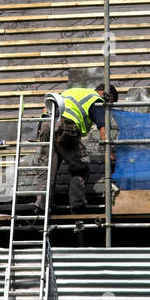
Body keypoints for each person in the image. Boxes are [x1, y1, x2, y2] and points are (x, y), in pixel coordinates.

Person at [37, 83, 118, 213]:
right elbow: (103, 129)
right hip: (65, 126)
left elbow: (48, 104)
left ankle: (41, 206)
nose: (106, 106)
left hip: (46, 124)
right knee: (81, 166)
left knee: (48, 167)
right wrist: (110, 155)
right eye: (109, 101)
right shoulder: (95, 100)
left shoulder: (73, 91)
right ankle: (77, 205)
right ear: (104, 93)